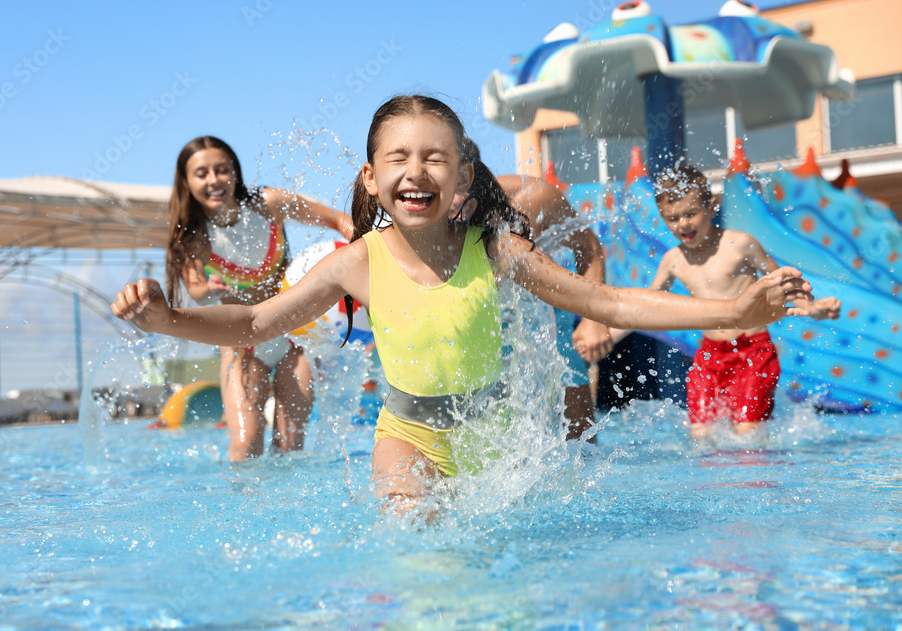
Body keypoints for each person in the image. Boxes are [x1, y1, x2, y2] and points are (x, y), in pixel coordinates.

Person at [117, 95, 814, 510]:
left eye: (435, 158)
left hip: (495, 437)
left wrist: (736, 313)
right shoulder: (360, 260)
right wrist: (163, 318)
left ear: (462, 178)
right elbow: (254, 320)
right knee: (417, 532)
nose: (415, 171)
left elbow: (612, 302)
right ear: (371, 175)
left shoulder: (499, 251)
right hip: (407, 436)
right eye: (398, 158)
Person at [606, 162, 840, 444]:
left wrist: (813, 309)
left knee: (746, 434)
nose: (684, 224)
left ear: (711, 207)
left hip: (753, 352)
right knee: (700, 435)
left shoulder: (740, 244)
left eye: (691, 213)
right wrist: (606, 337)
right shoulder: (673, 261)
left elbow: (781, 281)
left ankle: (758, 480)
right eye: (674, 218)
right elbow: (645, 309)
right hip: (709, 357)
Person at [164, 136, 352, 461]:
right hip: (241, 345)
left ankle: (286, 510)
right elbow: (195, 289)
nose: (214, 180)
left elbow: (335, 219)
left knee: (290, 443)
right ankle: (238, 511)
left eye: (222, 170)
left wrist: (365, 243)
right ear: (187, 182)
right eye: (202, 173)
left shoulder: (269, 204)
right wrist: (211, 290)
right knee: (245, 444)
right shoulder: (195, 238)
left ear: (235, 172)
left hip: (295, 336)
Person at [450, 155, 612, 441]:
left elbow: (588, 246)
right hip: (479, 326)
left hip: (544, 322)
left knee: (583, 445)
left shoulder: (534, 198)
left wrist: (593, 319)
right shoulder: (429, 211)